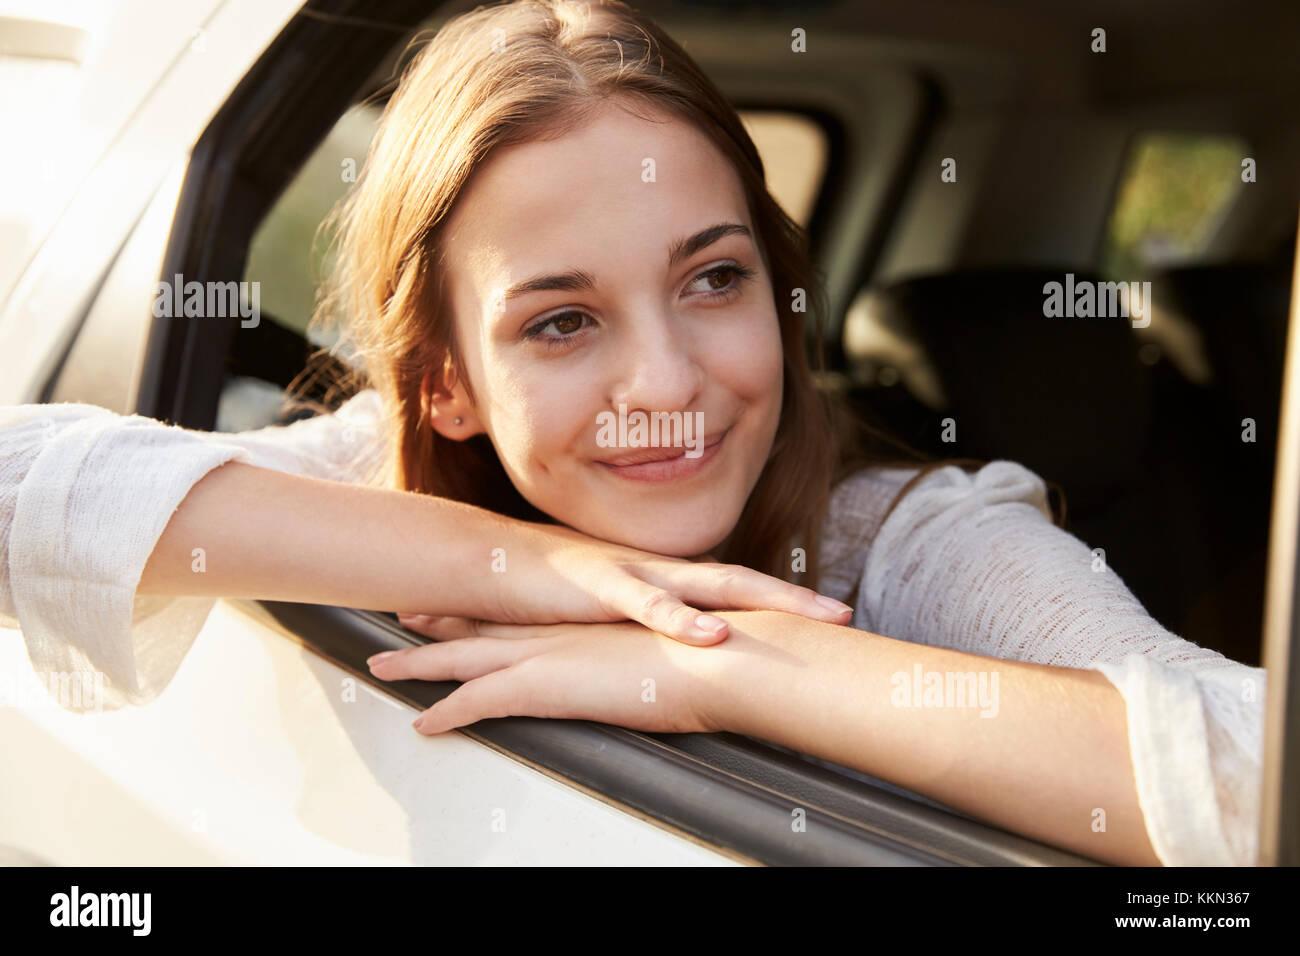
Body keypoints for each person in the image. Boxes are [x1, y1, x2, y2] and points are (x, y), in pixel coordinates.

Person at [0, 0, 1264, 867]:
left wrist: (717, 661)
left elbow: (1257, 769)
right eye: (560, 321)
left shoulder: (911, 533)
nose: (664, 381)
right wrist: (518, 564)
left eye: (713, 280)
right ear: (445, 382)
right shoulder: (373, 468)